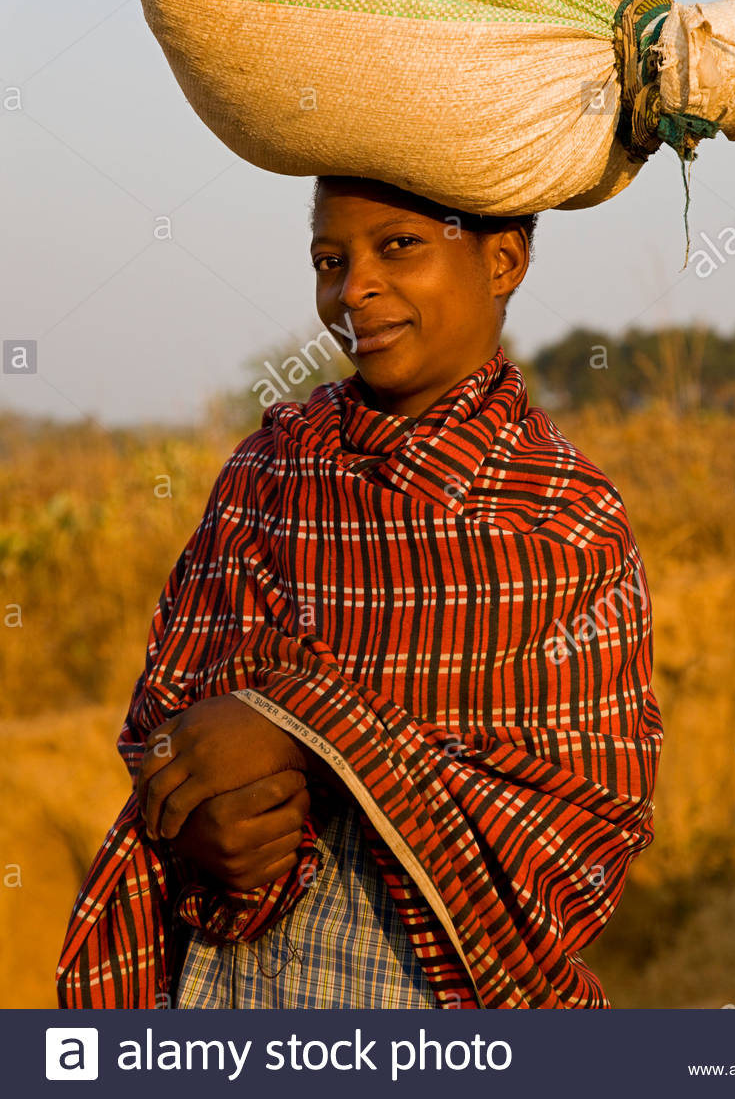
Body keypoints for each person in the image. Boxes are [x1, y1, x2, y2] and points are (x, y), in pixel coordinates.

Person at [56, 174, 662, 1010]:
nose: (354, 289)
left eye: (399, 246)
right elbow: (163, 728)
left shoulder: (561, 516)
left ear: (504, 261)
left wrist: (296, 728)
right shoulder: (270, 472)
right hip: (227, 991)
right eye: (328, 260)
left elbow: (580, 823)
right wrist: (199, 822)